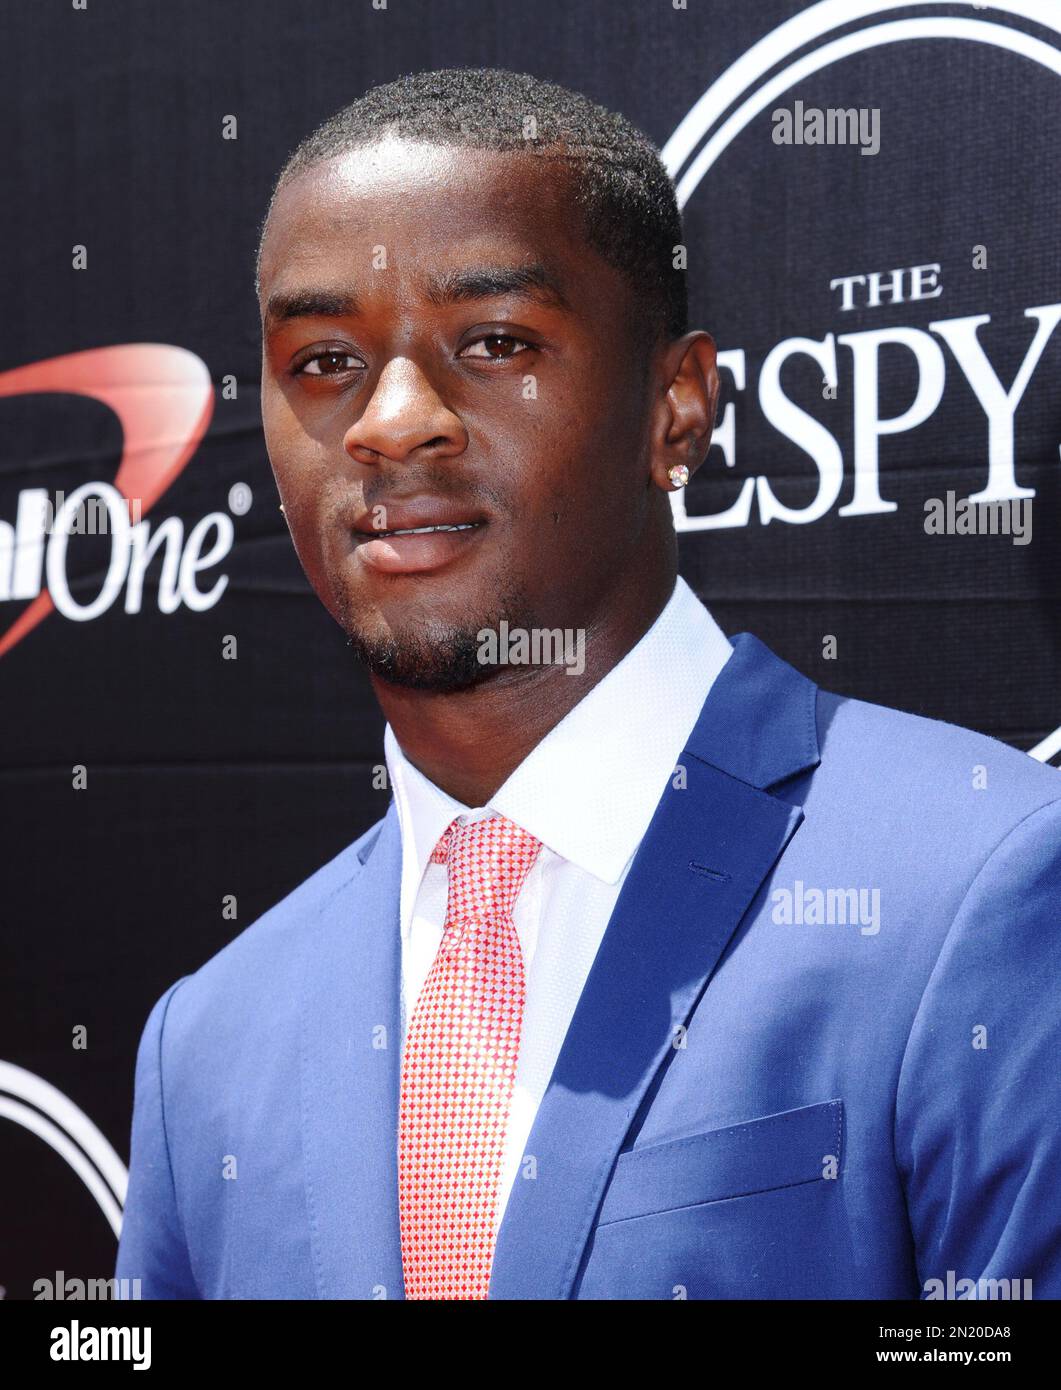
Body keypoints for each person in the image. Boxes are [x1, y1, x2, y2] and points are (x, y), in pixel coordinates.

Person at [116, 67, 1061, 1300]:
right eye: (324, 359)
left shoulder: (976, 885)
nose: (391, 422)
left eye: (495, 341)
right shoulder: (210, 1039)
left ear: (675, 408)